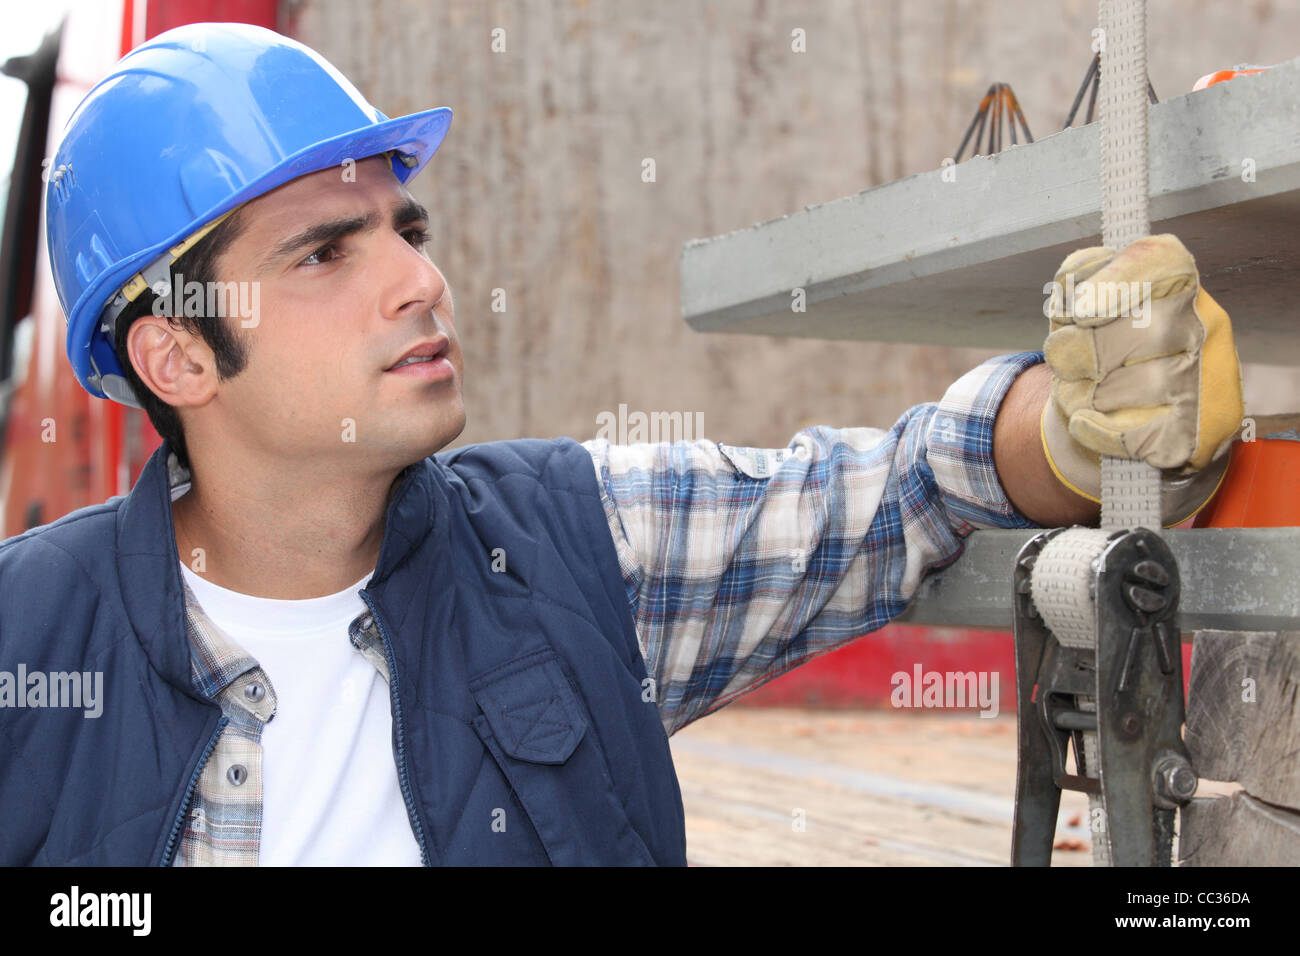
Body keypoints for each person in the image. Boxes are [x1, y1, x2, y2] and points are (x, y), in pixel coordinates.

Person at [0, 22, 1243, 865]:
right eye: (326, 251)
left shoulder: (575, 548)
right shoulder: (28, 644)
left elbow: (908, 486)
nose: (422, 280)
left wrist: (1081, 424)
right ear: (177, 356)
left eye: (404, 226)